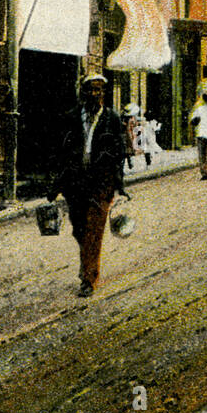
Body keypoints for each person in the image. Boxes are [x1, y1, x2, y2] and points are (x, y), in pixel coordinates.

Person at [48, 74, 126, 298]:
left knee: (94, 230)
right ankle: (88, 265)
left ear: (104, 93)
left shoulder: (111, 118)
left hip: (101, 183)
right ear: (83, 93)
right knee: (79, 229)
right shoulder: (71, 118)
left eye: (99, 90)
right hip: (76, 184)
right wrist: (56, 184)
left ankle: (88, 278)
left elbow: (119, 153)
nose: (95, 94)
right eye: (91, 90)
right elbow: (61, 153)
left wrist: (118, 182)